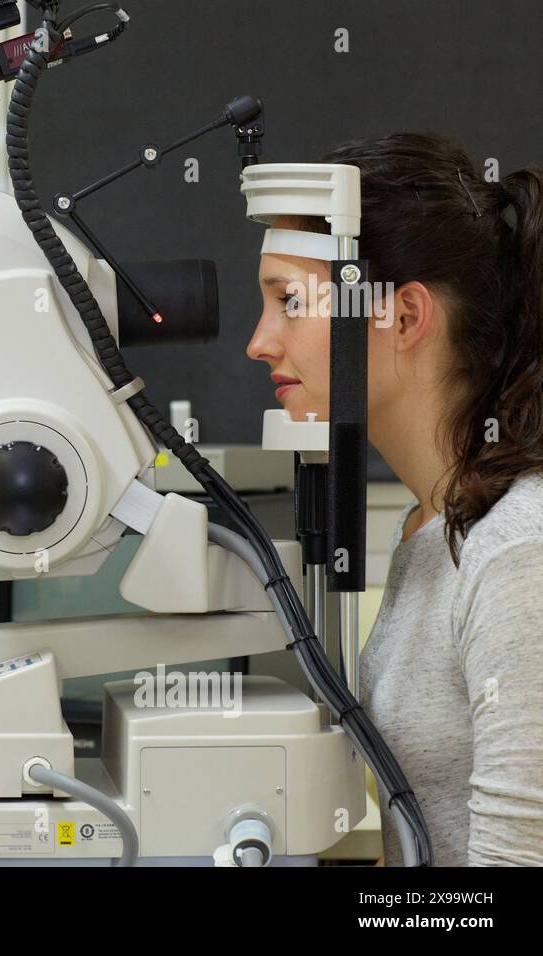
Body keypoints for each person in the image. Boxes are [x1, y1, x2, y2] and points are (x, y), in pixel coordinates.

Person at [245, 132, 543, 865]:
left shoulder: (516, 555)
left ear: (403, 317)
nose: (259, 342)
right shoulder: (431, 525)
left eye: (290, 302)